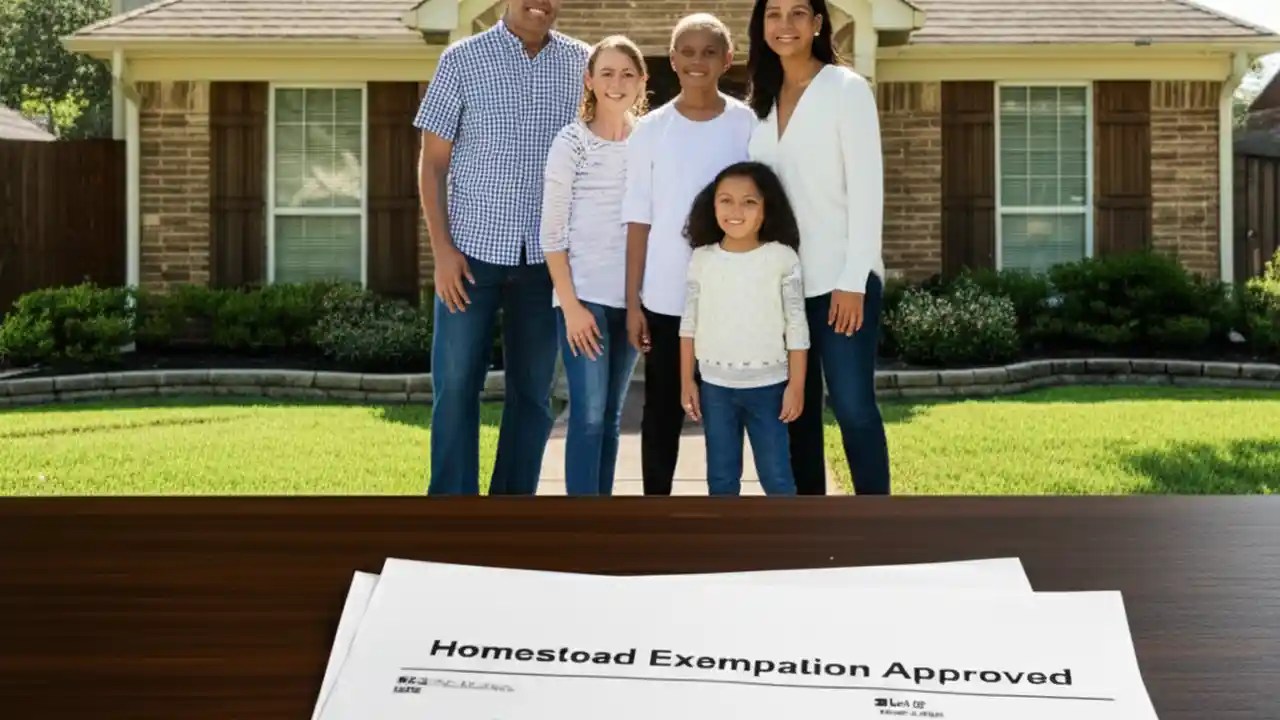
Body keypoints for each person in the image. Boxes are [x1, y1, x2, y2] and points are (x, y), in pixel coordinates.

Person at [414, 0, 590, 496]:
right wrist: (442, 252)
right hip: (469, 258)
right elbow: (432, 164)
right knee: (455, 389)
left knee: (533, 396)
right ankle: (452, 513)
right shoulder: (462, 59)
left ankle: (511, 511)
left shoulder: (583, 63)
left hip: (545, 265)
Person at [744, 0, 891, 496]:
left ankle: (876, 523)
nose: (785, 25)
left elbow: (868, 191)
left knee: (852, 407)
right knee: (795, 411)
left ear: (818, 24)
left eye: (798, 13)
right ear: (761, 26)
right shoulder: (759, 102)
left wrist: (854, 282)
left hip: (841, 281)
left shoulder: (846, 89)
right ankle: (811, 525)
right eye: (774, 14)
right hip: (783, 287)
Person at [621, 12, 758, 496]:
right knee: (661, 406)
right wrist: (634, 301)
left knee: (727, 403)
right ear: (673, 59)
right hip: (664, 296)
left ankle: (727, 505)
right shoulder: (650, 130)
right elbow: (638, 217)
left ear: (728, 59)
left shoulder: (746, 125)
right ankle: (655, 510)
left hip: (733, 295)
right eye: (688, 51)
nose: (698, 60)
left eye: (709, 51)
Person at [539, 35, 650, 496]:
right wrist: (572, 307)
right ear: (589, 80)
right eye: (606, 72)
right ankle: (579, 524)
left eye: (627, 73)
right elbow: (552, 235)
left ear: (643, 81)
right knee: (586, 413)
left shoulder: (649, 141)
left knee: (610, 415)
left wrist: (643, 302)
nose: (616, 82)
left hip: (632, 301)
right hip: (584, 300)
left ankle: (603, 515)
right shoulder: (571, 143)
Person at [678, 162, 808, 496]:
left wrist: (796, 385)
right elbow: (689, 325)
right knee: (721, 480)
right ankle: (725, 546)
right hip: (716, 389)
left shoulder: (782, 258)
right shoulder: (701, 259)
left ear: (767, 209)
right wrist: (687, 382)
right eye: (726, 200)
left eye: (749, 202)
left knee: (777, 478)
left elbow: (796, 325)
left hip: (770, 389)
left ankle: (786, 547)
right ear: (713, 205)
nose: (736, 211)